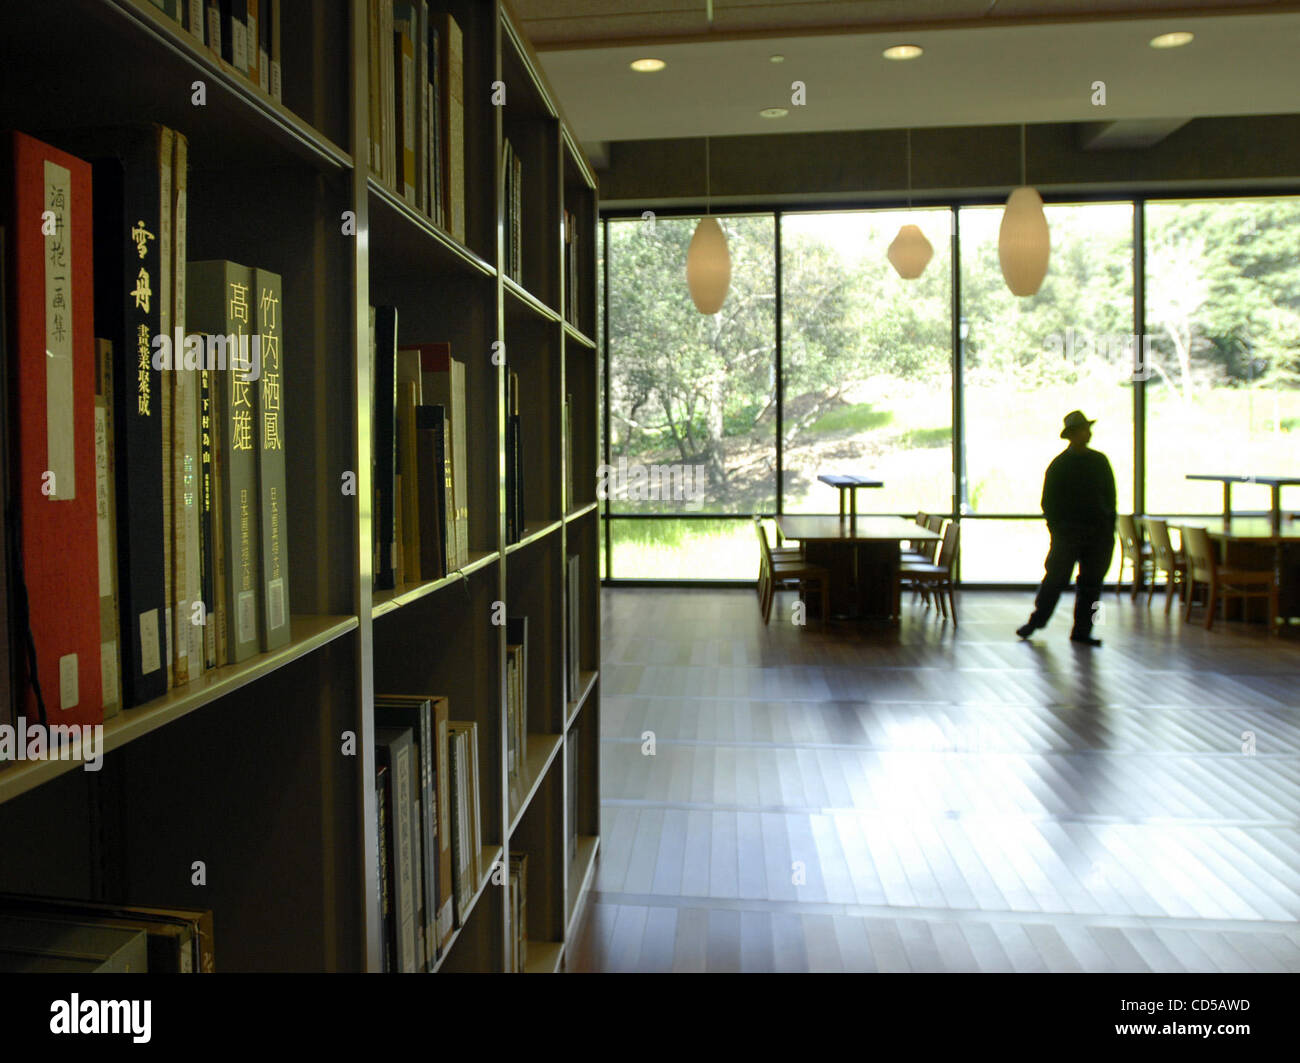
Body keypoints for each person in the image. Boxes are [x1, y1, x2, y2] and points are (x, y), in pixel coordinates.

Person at [1016, 410, 1116, 647]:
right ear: (1074, 434)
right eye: (1084, 429)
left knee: (1091, 586)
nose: (1088, 433)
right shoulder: (1062, 465)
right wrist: (1058, 530)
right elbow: (1049, 503)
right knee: (1056, 580)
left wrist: (1107, 528)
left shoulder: (1095, 461)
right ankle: (1037, 621)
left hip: (1094, 534)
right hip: (1069, 533)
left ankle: (1084, 631)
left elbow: (1110, 499)